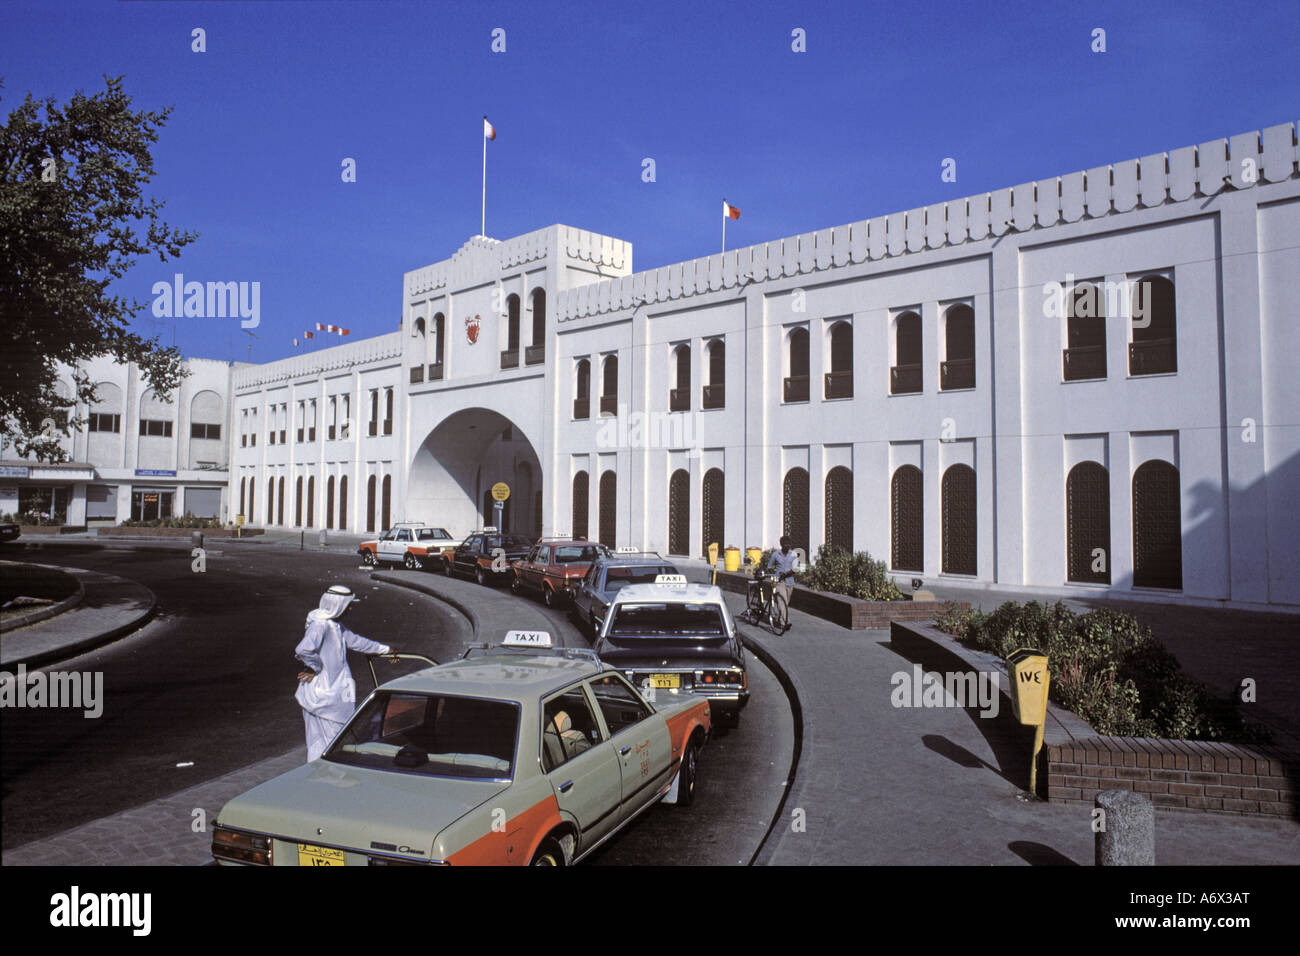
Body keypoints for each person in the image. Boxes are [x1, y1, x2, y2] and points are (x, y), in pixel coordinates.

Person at [294, 584, 393, 762]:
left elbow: (355, 641)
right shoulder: (321, 625)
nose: (350, 608)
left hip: (328, 695)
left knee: (323, 743)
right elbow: (303, 650)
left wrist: (385, 649)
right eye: (348, 605)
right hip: (324, 694)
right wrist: (314, 668)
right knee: (328, 742)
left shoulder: (334, 625)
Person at [765, 536, 799, 626]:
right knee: (781, 600)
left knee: (785, 603)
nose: (788, 546)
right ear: (781, 545)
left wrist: (786, 574)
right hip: (778, 581)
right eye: (785, 544)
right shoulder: (775, 555)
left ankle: (781, 619)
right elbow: (769, 567)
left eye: (789, 544)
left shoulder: (793, 555)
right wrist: (773, 575)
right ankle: (786, 622)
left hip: (790, 582)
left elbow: (795, 569)